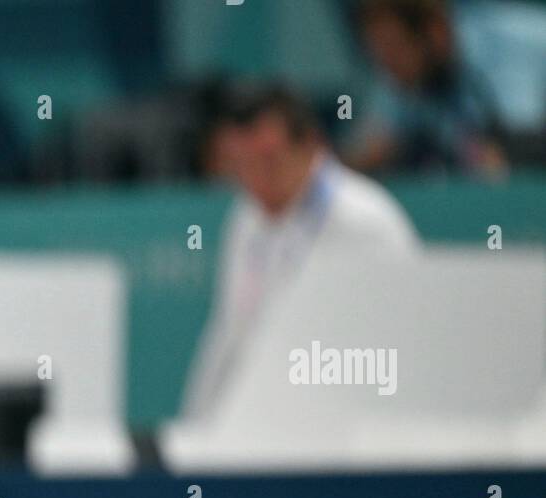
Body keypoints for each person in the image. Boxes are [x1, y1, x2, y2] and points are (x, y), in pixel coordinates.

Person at [178, 82, 420, 422]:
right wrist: (199, 427)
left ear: (311, 144)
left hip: (351, 427)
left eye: (268, 161)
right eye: (241, 165)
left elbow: (396, 349)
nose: (255, 180)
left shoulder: (367, 223)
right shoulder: (246, 218)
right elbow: (230, 334)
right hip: (266, 426)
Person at [343, 0, 510, 176]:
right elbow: (364, 150)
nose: (386, 63)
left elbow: (513, 153)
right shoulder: (396, 84)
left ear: (436, 33)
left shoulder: (496, 61)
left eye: (395, 48)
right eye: (377, 52)